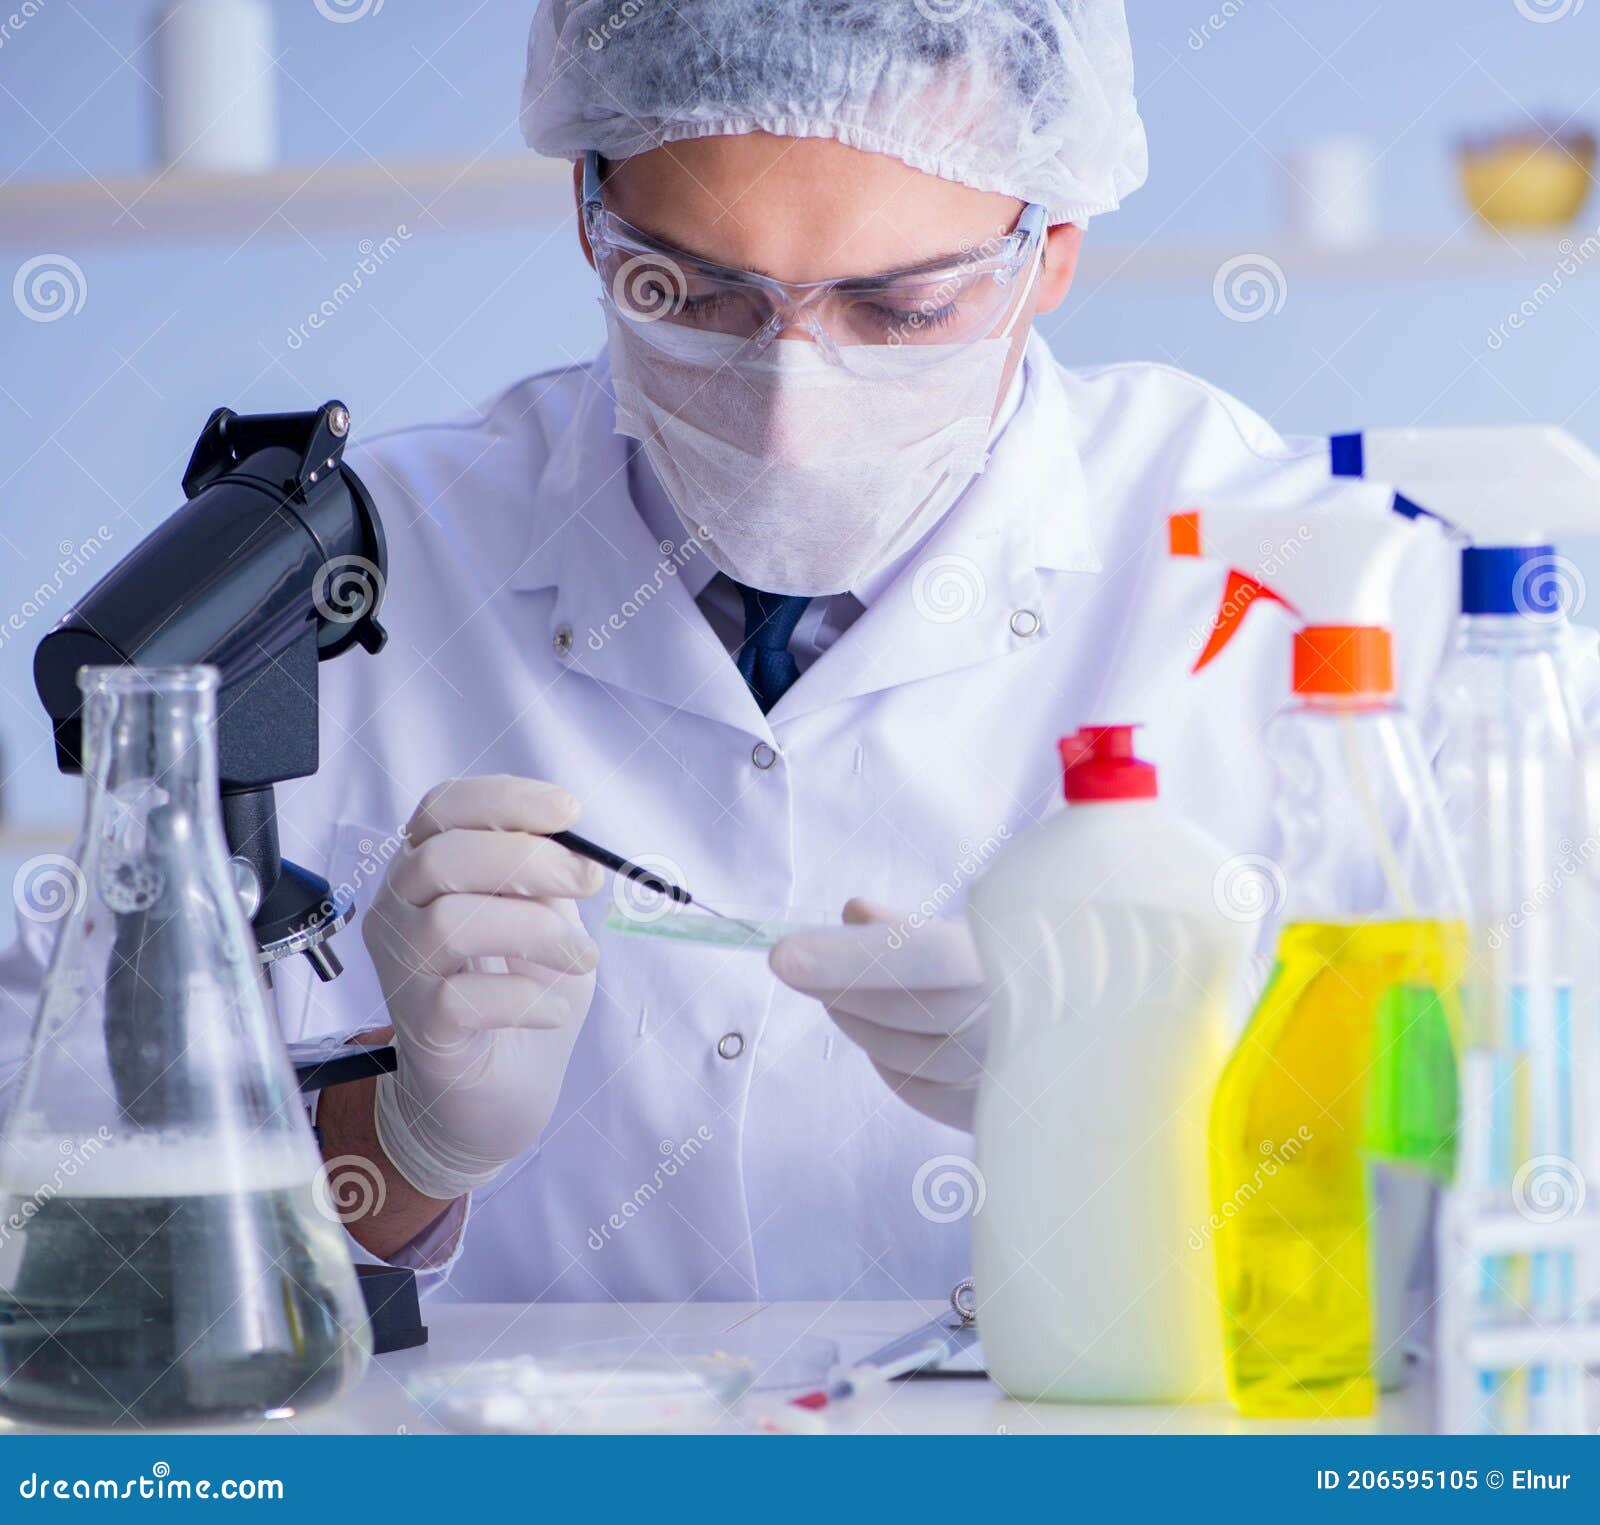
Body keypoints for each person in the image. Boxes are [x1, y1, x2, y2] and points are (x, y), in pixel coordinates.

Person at [1, 0, 1456, 1303]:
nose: (788, 415)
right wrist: (401, 1147)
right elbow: (56, 1242)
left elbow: (1510, 1204)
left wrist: (1134, 1096)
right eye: (691, 296)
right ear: (590, 216)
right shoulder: (346, 583)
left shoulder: (1316, 584)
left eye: (901, 308)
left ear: (1049, 252)